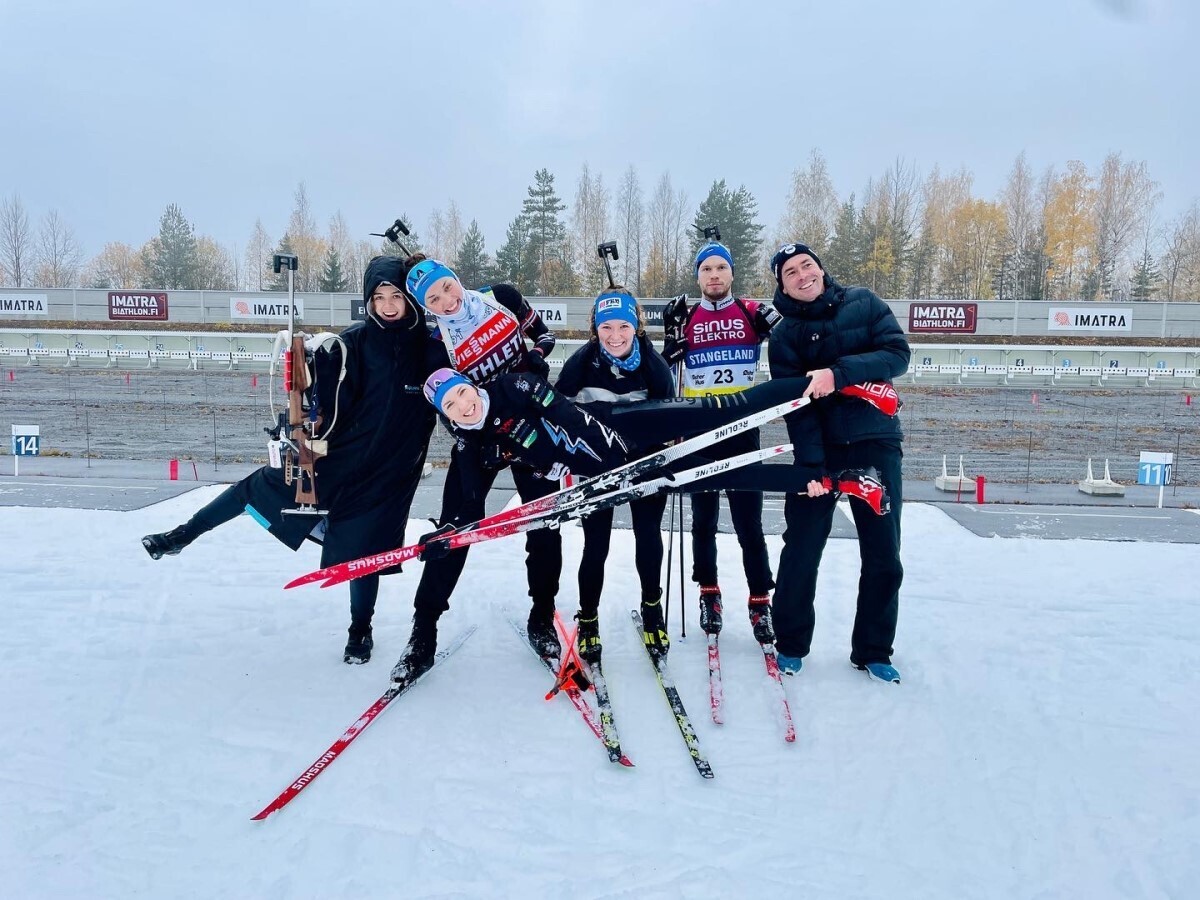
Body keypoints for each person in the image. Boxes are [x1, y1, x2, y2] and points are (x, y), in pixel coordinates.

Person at [412, 365, 884, 667]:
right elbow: (470, 503)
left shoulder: (511, 385)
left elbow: (569, 417)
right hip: (610, 473)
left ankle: (840, 386)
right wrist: (450, 532)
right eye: (451, 406)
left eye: (461, 393)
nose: (464, 405)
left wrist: (608, 447)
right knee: (718, 474)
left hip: (619, 424)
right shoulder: (472, 445)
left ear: (471, 385)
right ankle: (848, 479)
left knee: (721, 409)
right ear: (445, 414)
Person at [141, 255, 441, 664]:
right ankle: (181, 536)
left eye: (396, 296)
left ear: (410, 299)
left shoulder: (430, 349)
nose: (388, 305)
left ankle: (360, 631)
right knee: (255, 488)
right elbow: (317, 386)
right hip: (334, 457)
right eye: (379, 297)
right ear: (368, 302)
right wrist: (304, 367)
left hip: (388, 474)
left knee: (365, 557)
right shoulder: (353, 343)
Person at [392, 257, 564, 679]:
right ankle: (424, 631)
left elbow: (543, 333)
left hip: (530, 427)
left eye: (447, 287)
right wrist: (472, 440)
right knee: (456, 529)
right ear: (425, 305)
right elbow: (447, 407)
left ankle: (542, 616)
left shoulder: (500, 298)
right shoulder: (437, 344)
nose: (447, 301)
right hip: (479, 438)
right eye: (433, 299)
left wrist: (538, 357)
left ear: (456, 277)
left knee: (543, 523)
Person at [766, 242, 910, 683]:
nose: (802, 274)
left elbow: (896, 354)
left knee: (883, 553)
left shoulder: (865, 303)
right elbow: (797, 406)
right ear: (783, 284)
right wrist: (811, 468)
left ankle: (873, 649)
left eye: (807, 265)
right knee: (801, 551)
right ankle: (790, 644)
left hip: (875, 443)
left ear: (821, 268)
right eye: (791, 271)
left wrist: (838, 373)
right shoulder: (784, 335)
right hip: (820, 451)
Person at [662, 241, 783, 646]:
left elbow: (791, 335)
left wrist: (775, 321)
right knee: (704, 521)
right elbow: (668, 373)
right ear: (698, 276)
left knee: (749, 521)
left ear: (731, 273)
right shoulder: (688, 317)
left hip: (742, 428)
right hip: (698, 431)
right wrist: (670, 343)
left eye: (720, 268)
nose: (713, 275)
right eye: (706, 269)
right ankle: (708, 594)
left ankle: (760, 600)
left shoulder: (750, 312)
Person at [555, 288, 674, 665]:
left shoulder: (653, 365)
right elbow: (558, 410)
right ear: (595, 328)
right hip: (597, 465)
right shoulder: (581, 362)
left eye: (624, 325)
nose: (615, 335)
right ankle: (588, 618)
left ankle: (653, 609)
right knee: (596, 545)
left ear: (637, 326)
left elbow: (669, 417)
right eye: (606, 326)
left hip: (643, 462)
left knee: (648, 535)